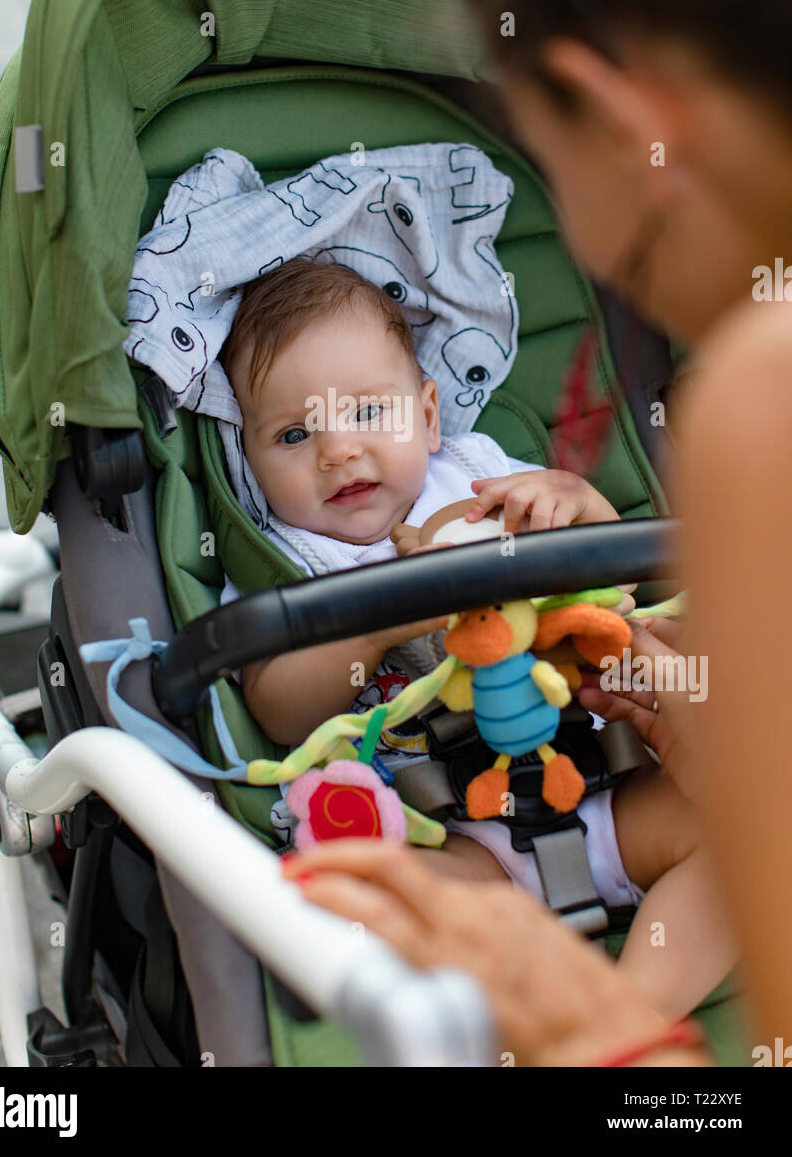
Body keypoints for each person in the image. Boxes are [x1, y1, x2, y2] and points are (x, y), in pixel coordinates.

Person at [283, 0, 792, 1067]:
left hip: (603, 812)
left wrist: (584, 1020)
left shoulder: (761, 396)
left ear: (622, 127)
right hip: (473, 803)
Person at [220, 255, 737, 1022]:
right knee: (364, 917)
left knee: (749, 840)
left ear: (428, 415)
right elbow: (279, 707)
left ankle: (632, 1016)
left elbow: (615, 579)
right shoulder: (292, 563)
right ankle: (541, 1001)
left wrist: (578, 504)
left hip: (612, 783)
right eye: (294, 433)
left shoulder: (479, 475)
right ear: (250, 464)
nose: (337, 451)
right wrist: (390, 613)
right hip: (453, 836)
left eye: (369, 413)